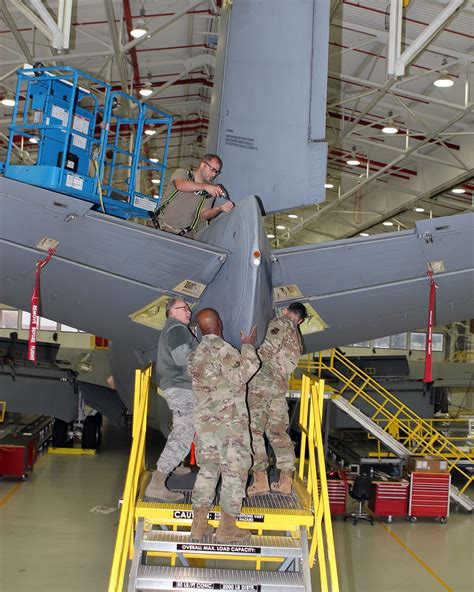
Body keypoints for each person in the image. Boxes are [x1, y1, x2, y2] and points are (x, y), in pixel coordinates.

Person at [188, 309, 259, 543]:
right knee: (234, 472)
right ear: (219, 323)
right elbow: (243, 374)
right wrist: (248, 347)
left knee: (208, 471)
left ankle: (199, 526)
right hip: (230, 425)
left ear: (198, 329)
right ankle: (227, 528)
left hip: (205, 426)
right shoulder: (224, 349)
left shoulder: (195, 355)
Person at [247, 302, 307, 497]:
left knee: (254, 431)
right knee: (278, 433)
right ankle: (285, 481)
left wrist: (247, 356)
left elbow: (267, 350)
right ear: (302, 320)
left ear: (286, 312)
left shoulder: (281, 323)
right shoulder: (297, 337)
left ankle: (260, 480)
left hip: (262, 385)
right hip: (279, 388)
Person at [145, 297, 198, 501]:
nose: (189, 312)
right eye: (184, 308)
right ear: (172, 312)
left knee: (183, 428)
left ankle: (173, 464)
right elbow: (183, 358)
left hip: (178, 385)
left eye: (188, 308)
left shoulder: (176, 328)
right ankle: (157, 483)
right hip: (180, 386)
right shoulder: (176, 329)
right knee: (184, 432)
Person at [150, 154, 234, 237]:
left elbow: (203, 215)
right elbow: (180, 185)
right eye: (212, 170)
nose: (214, 174)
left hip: (181, 234)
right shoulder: (182, 173)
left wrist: (218, 209)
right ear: (203, 165)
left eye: (216, 172)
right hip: (157, 225)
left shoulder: (210, 192)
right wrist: (205, 187)